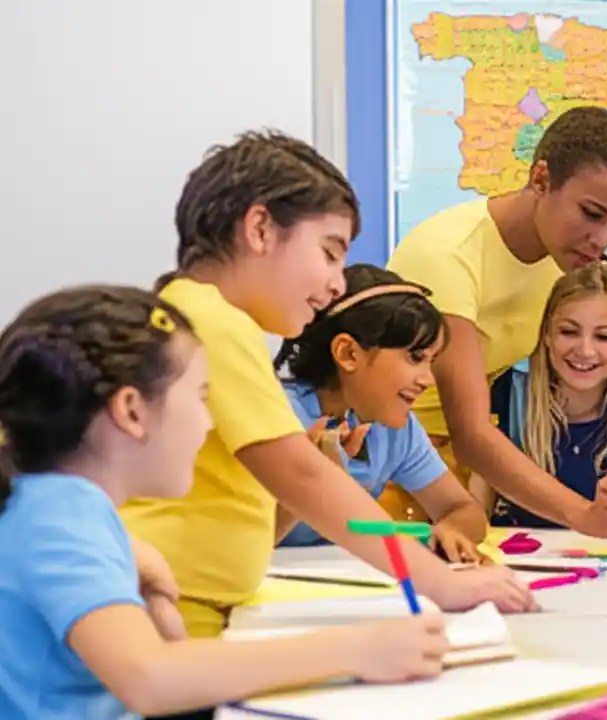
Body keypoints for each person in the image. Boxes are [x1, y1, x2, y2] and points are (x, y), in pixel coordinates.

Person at [120, 131, 533, 641]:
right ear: (260, 230)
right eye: (329, 252)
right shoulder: (215, 322)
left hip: (193, 611)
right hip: (169, 617)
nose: (337, 282)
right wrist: (443, 584)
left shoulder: (194, 315)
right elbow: (303, 474)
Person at [0, 287, 449, 720]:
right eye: (201, 397)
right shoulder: (59, 519)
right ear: (132, 411)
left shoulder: (55, 507)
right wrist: (357, 649)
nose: (209, 421)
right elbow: (147, 676)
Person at [384, 107, 607, 537]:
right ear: (541, 179)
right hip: (398, 466)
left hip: (474, 477)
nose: (603, 239)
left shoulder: (566, 261)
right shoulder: (448, 256)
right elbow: (470, 433)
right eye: (591, 214)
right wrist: (584, 513)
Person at [273, 264, 487, 562]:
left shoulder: (394, 428)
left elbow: (466, 510)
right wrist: (309, 483)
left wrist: (451, 530)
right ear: (348, 353)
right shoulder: (277, 415)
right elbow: (236, 541)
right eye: (415, 358)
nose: (428, 379)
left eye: (431, 361)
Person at [481, 262, 607, 528]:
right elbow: (482, 486)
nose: (585, 351)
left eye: (604, 336)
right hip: (522, 542)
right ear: (546, 334)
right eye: (568, 332)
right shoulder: (511, 389)